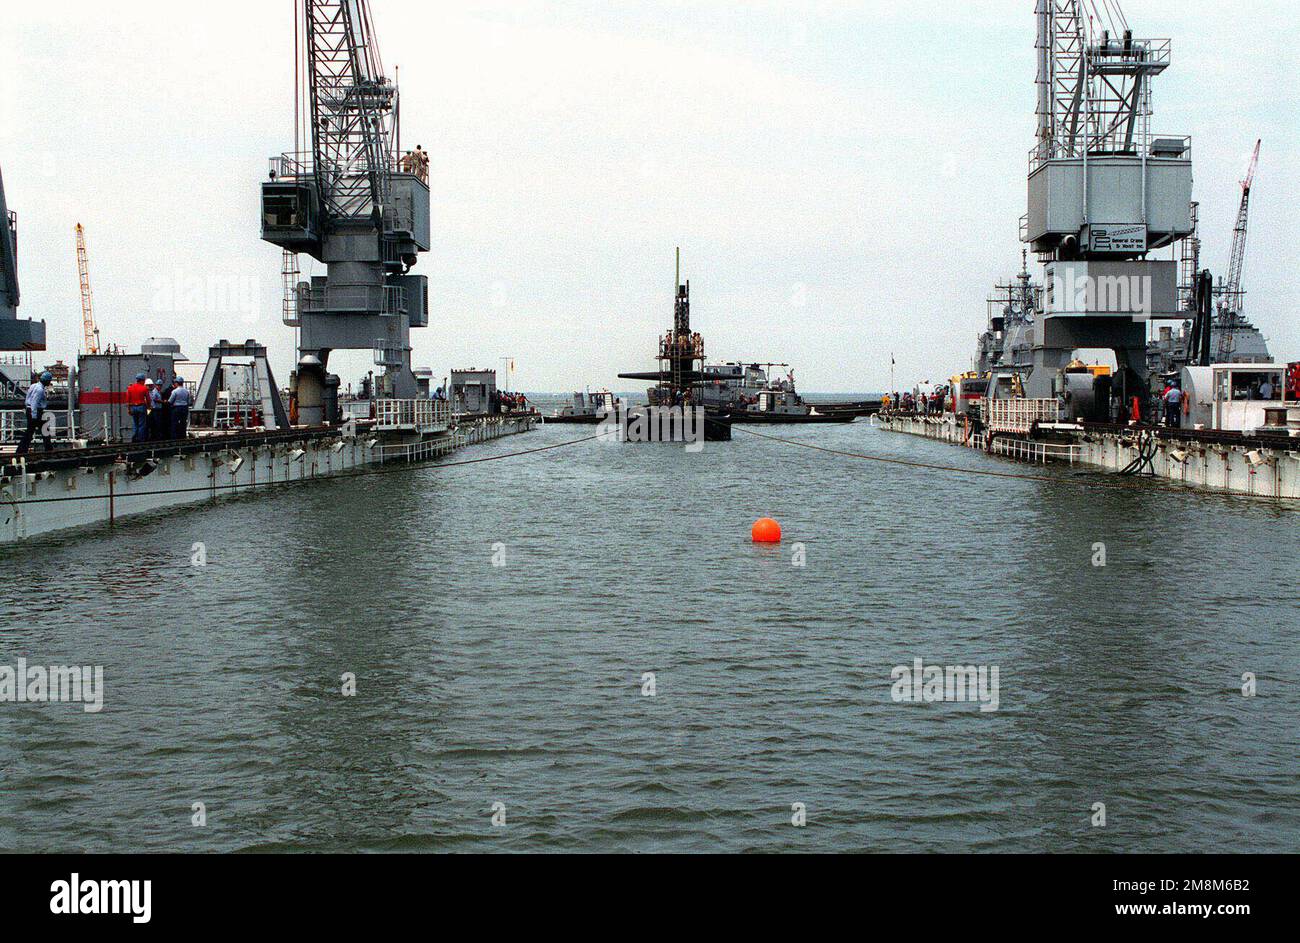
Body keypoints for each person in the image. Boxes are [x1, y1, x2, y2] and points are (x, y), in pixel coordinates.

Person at [16, 371, 55, 455]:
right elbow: (34, 402)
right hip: (36, 411)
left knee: (32, 431)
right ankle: (48, 449)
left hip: (30, 410)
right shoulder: (40, 390)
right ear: (46, 381)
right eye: (49, 381)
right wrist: (34, 415)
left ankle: (22, 450)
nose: (49, 382)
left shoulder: (33, 386)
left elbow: (28, 398)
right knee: (37, 430)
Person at [127, 372, 149, 442]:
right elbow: (148, 399)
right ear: (142, 380)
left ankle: (134, 437)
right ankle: (140, 439)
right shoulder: (144, 388)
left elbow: (128, 399)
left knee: (135, 423)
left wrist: (129, 409)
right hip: (141, 406)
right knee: (142, 424)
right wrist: (149, 406)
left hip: (133, 407)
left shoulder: (130, 388)